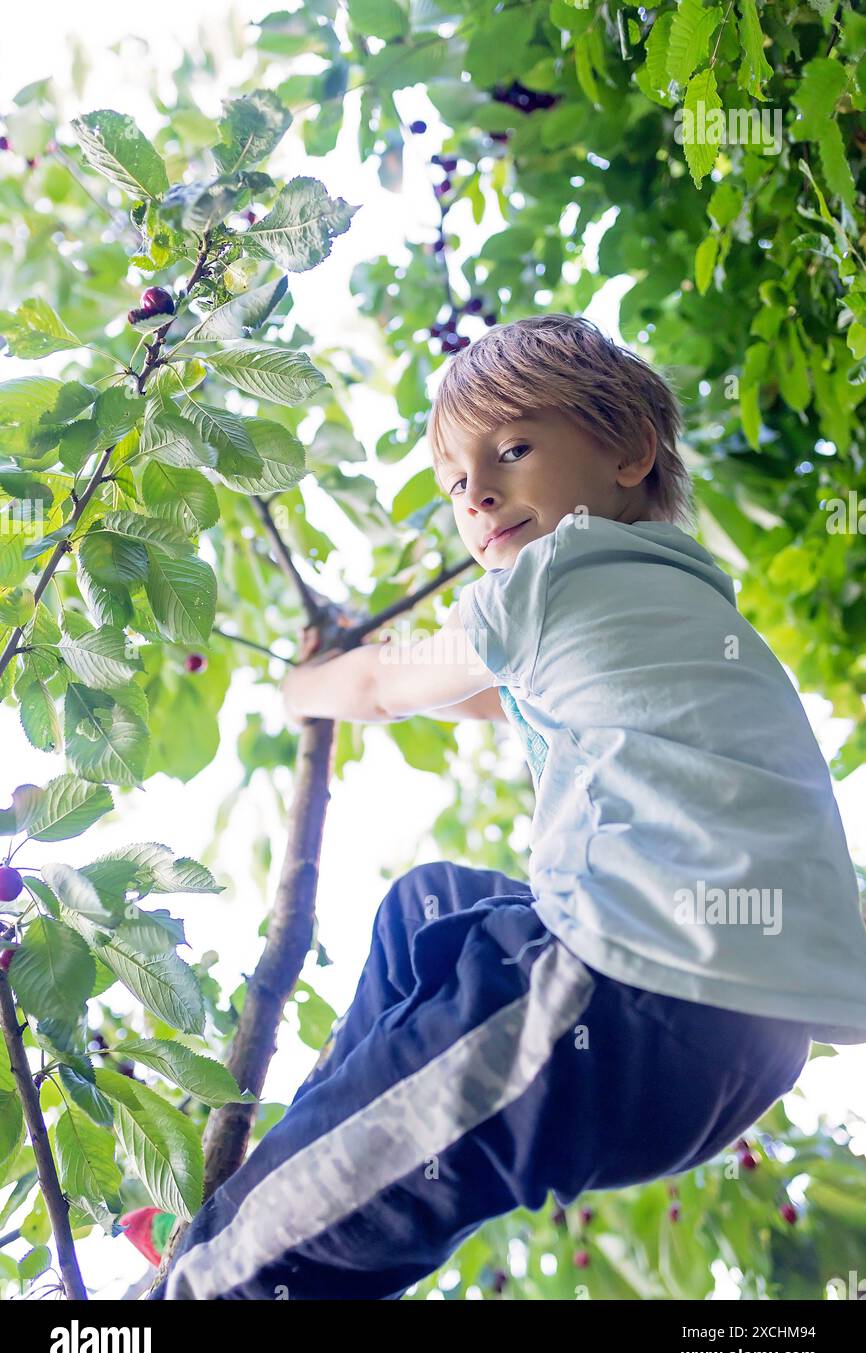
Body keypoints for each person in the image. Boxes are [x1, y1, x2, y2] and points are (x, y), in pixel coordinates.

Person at [148, 313, 866, 1301]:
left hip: (632, 987)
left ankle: (182, 1293)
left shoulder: (556, 573)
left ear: (627, 451)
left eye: (512, 449)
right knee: (429, 912)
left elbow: (379, 686)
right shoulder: (675, 601)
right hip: (738, 1041)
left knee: (361, 1170)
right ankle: (303, 1156)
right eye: (455, 483)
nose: (476, 492)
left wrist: (298, 687)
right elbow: (508, 694)